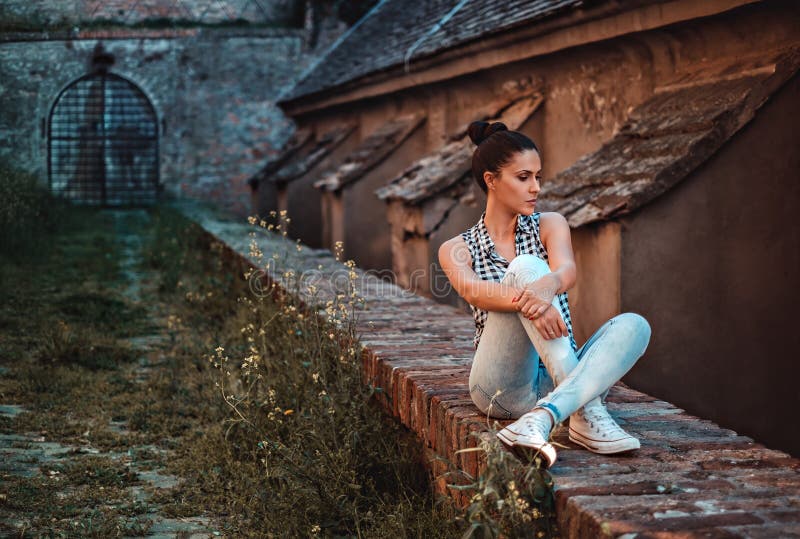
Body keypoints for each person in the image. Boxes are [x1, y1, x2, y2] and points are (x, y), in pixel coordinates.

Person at [437, 121, 652, 468]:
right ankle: (585, 414)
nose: (535, 187)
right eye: (523, 177)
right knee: (525, 266)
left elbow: (566, 271)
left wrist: (546, 287)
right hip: (501, 387)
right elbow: (476, 293)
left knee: (635, 325)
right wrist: (533, 299)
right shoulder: (457, 248)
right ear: (491, 180)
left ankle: (544, 418)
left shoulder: (549, 223)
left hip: (557, 377)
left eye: (538, 176)